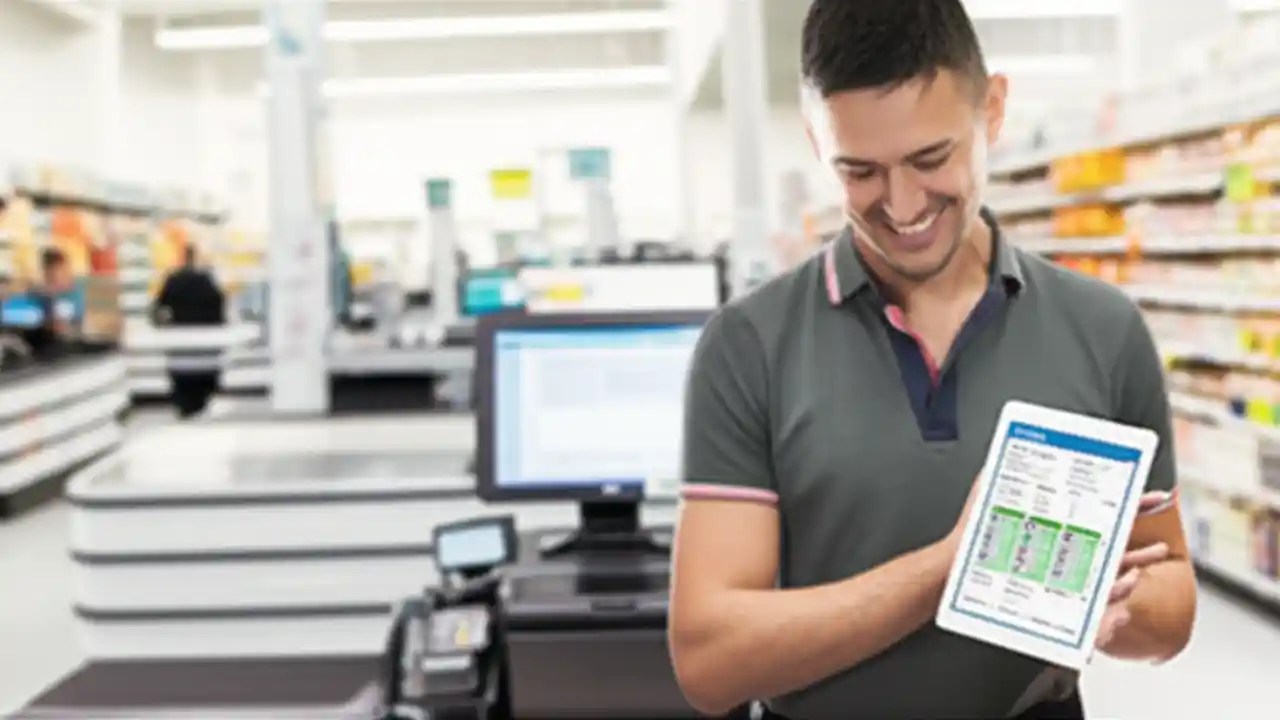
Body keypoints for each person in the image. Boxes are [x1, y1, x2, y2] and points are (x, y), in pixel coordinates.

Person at [668, 2, 1197, 719]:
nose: (903, 204)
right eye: (860, 171)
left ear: (994, 110)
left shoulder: (1102, 329)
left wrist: (1111, 600)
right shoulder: (749, 345)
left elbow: (1172, 605)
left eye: (931, 158)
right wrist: (953, 568)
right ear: (815, 141)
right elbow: (710, 662)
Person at [153, 244, 226, 418]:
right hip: (203, 336)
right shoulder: (205, 279)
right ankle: (199, 401)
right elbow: (218, 302)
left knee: (182, 370)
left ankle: (184, 403)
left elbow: (159, 305)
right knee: (201, 370)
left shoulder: (173, 279)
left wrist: (162, 324)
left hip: (179, 334)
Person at [24, 247, 76, 360]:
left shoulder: (71, 293)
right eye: (50, 270)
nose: (55, 275)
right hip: (44, 353)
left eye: (59, 270)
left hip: (68, 352)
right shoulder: (36, 294)